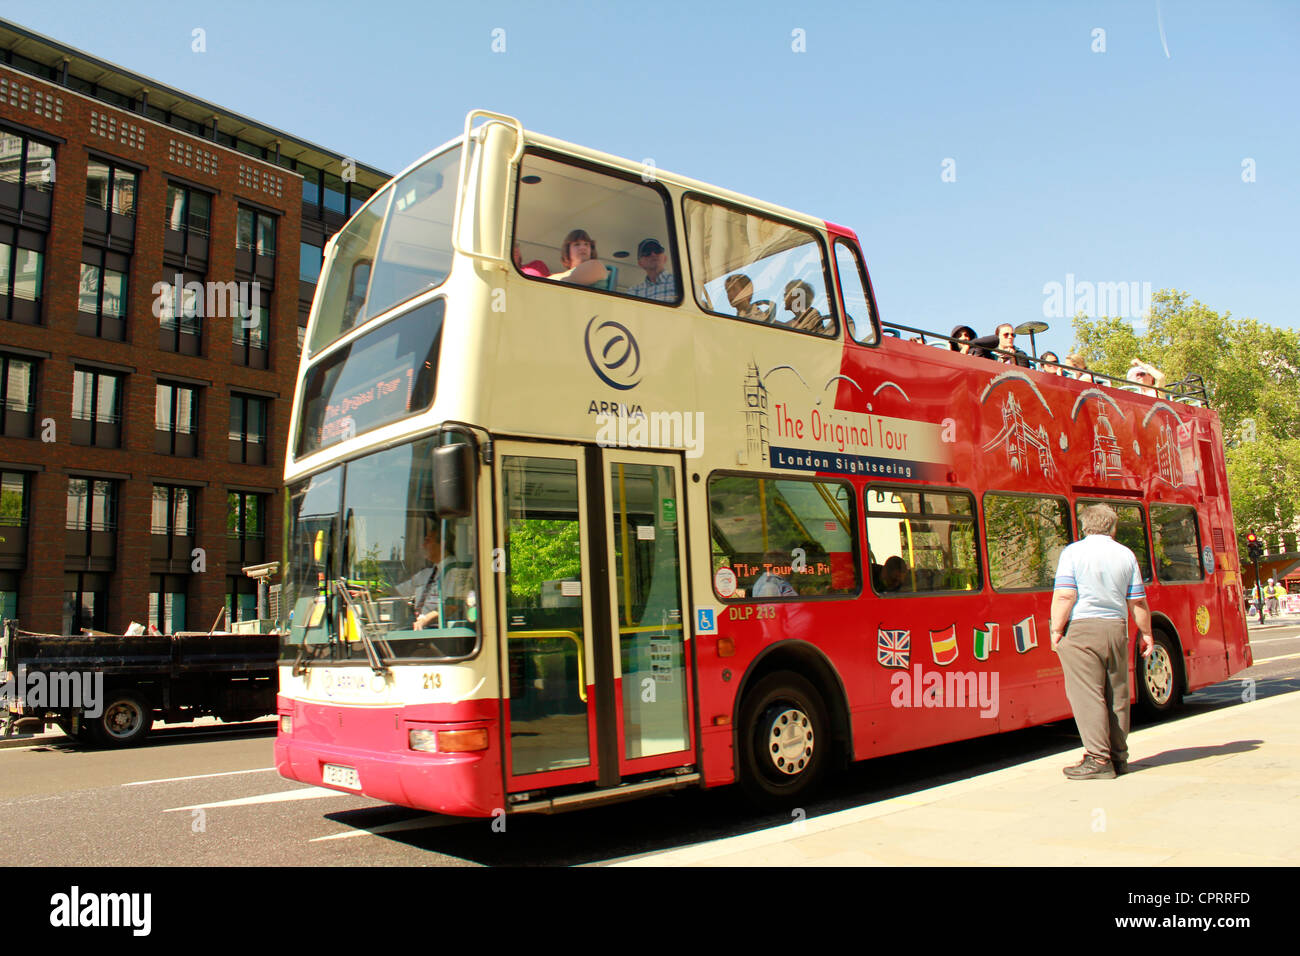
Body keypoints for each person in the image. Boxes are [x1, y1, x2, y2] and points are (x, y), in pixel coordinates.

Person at [1050, 504, 1154, 779]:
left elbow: (1065, 596)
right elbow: (1137, 600)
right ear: (1112, 527)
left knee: (1088, 694)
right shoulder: (1126, 554)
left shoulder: (1073, 552)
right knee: (1116, 694)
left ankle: (1098, 759)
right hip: (1116, 627)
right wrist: (1147, 634)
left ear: (1085, 526)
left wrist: (1056, 630)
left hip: (1082, 628)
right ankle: (1119, 758)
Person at [389, 526, 449, 630]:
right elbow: (397, 592)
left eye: (427, 541)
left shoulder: (454, 570)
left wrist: (425, 620)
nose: (423, 545)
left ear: (442, 544)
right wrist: (371, 593)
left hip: (442, 632)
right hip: (421, 628)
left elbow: (453, 606)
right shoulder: (427, 574)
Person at [626, 238, 677, 302]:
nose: (653, 254)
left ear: (665, 258)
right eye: (647, 252)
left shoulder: (679, 282)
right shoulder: (633, 292)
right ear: (640, 263)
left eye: (657, 250)